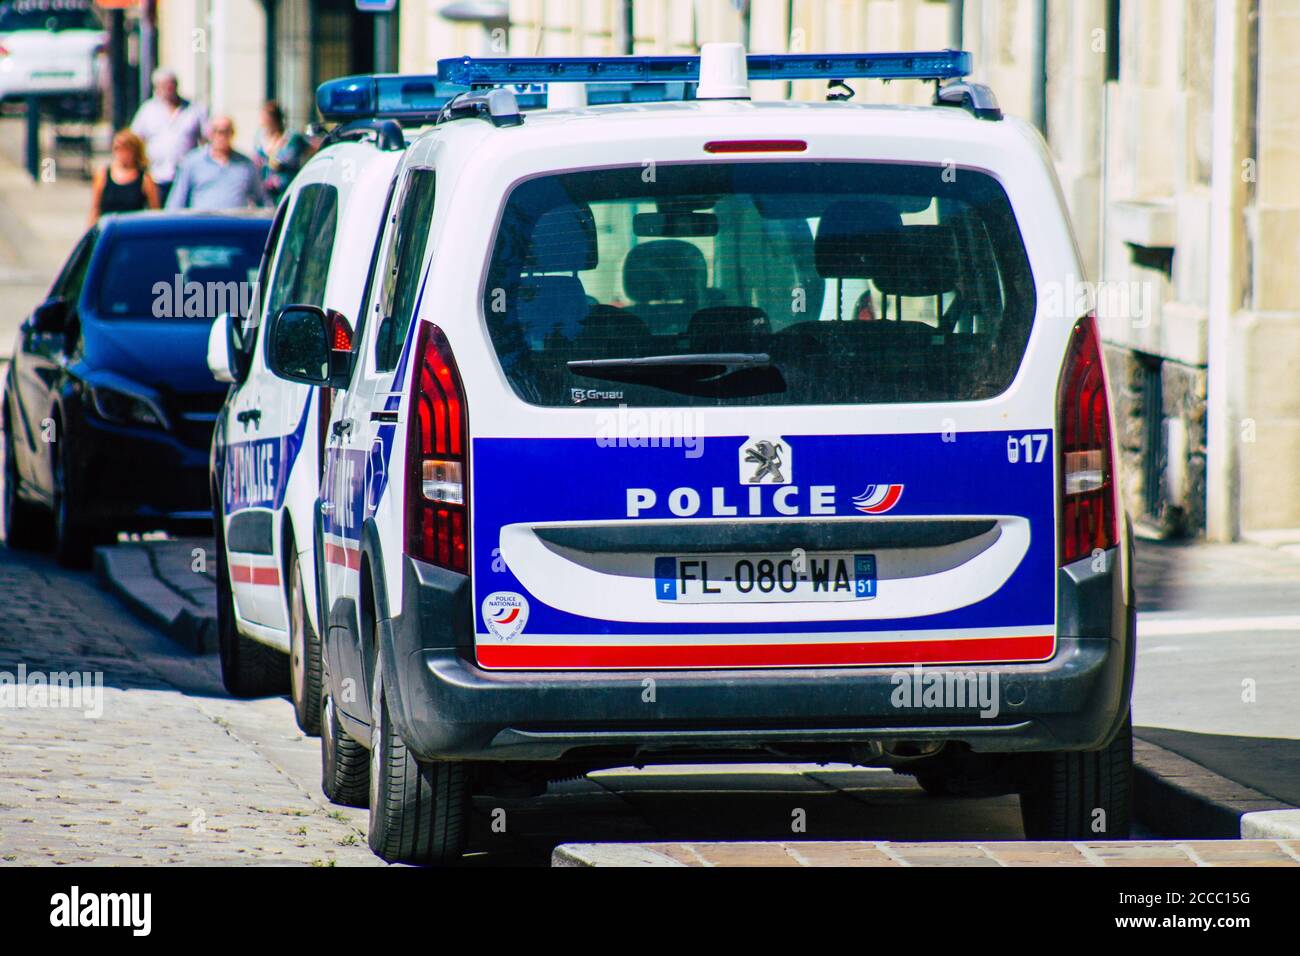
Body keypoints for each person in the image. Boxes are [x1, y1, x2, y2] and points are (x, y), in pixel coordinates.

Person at [130, 67, 207, 206]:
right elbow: (134, 140)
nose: (168, 88)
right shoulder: (147, 110)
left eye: (171, 84)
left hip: (186, 176)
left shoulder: (194, 109)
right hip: (156, 177)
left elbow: (207, 140)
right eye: (164, 85)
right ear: (156, 87)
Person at [166, 117, 267, 211]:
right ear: (210, 134)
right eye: (217, 131)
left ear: (232, 133)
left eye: (226, 131)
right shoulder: (191, 162)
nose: (221, 136)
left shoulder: (246, 165)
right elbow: (176, 203)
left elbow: (263, 200)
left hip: (235, 225)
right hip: (201, 225)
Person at [87, 130, 161, 225]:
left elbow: (155, 212)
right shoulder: (103, 175)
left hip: (133, 230)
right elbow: (95, 209)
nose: (121, 153)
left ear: (135, 152)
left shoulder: (145, 179)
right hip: (109, 229)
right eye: (117, 148)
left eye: (125, 149)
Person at [253, 101, 311, 205]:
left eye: (265, 117)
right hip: (265, 193)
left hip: (285, 190)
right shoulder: (260, 138)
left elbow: (291, 159)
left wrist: (274, 162)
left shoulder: (292, 138)